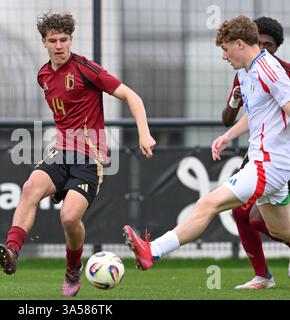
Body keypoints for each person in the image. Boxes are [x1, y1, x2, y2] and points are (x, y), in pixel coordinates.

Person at [0, 12, 156, 297]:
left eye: (64, 39)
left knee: (68, 218)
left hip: (88, 158)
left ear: (71, 39)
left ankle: (72, 268)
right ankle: (12, 251)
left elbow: (132, 96)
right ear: (44, 42)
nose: (59, 45)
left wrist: (144, 133)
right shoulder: (43, 75)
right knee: (30, 187)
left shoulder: (86, 70)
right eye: (53, 40)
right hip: (60, 152)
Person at [122, 16, 290, 281]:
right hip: (269, 165)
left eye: (225, 49)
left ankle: (152, 251)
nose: (223, 56)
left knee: (208, 203)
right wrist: (228, 135)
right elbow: (259, 111)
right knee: (282, 231)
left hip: (268, 166)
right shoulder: (246, 71)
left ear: (239, 44)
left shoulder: (269, 70)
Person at [222, 16, 290, 289]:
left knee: (260, 219)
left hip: (281, 153)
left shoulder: (280, 71)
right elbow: (228, 118)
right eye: (259, 41)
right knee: (242, 214)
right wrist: (236, 99)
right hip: (260, 150)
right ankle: (263, 276)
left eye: (269, 44)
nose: (263, 47)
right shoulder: (243, 70)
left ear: (277, 47)